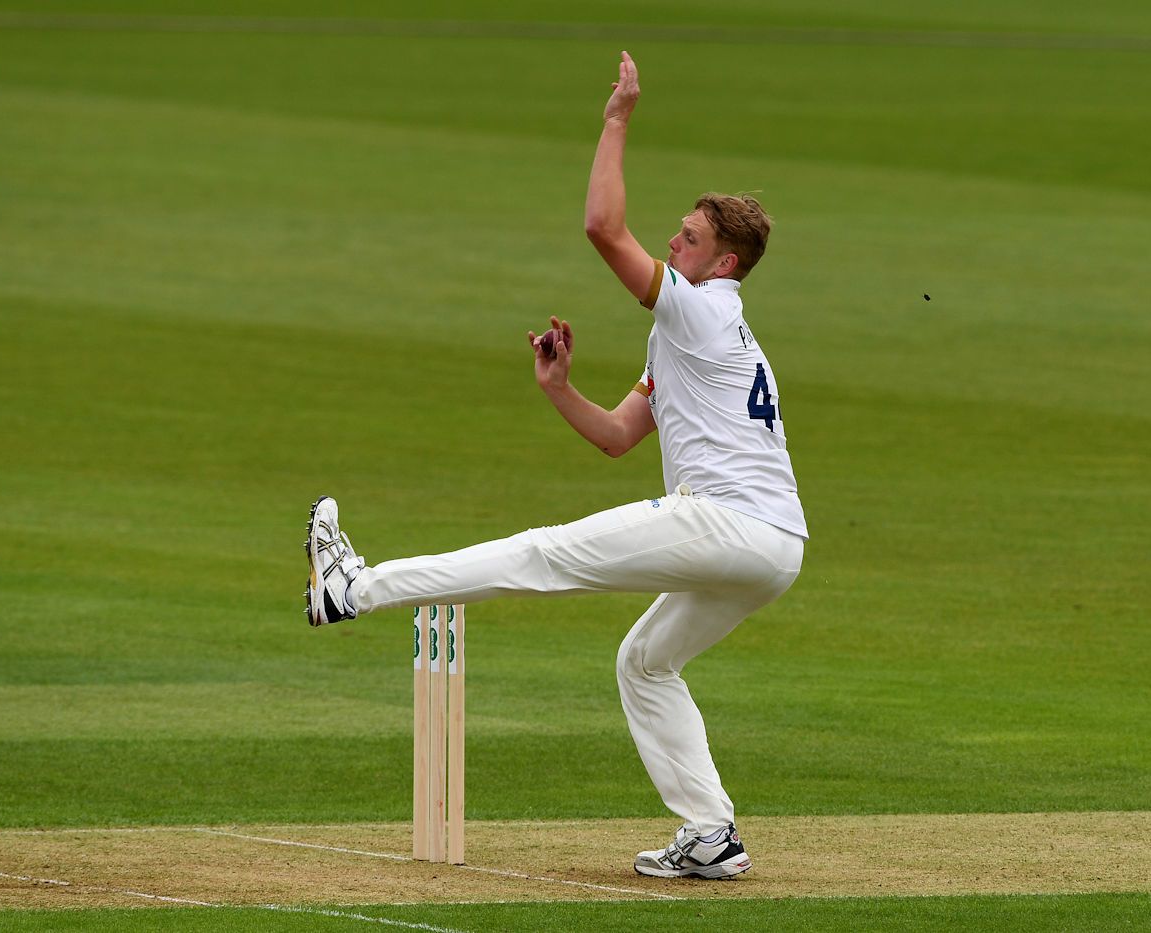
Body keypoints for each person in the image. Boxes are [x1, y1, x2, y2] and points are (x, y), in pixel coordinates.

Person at [304, 51, 807, 880]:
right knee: (644, 661)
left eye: (690, 237)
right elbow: (616, 435)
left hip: (725, 523)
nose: (673, 238)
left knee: (538, 555)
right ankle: (712, 831)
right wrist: (559, 388)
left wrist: (617, 118)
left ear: (724, 263)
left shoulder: (703, 312)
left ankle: (349, 588)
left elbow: (602, 229)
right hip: (775, 547)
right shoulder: (705, 334)